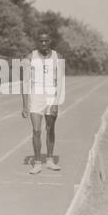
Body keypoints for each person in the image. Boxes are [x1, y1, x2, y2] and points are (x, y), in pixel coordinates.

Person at [22, 32, 66, 174]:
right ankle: (37, 162)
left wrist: (55, 103)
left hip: (51, 95)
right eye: (41, 41)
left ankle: (49, 160)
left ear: (50, 41)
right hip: (36, 96)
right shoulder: (30, 57)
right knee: (36, 130)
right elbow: (25, 83)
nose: (43, 43)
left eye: (46, 41)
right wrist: (24, 105)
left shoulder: (57, 57)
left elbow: (60, 83)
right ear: (37, 42)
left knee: (50, 129)